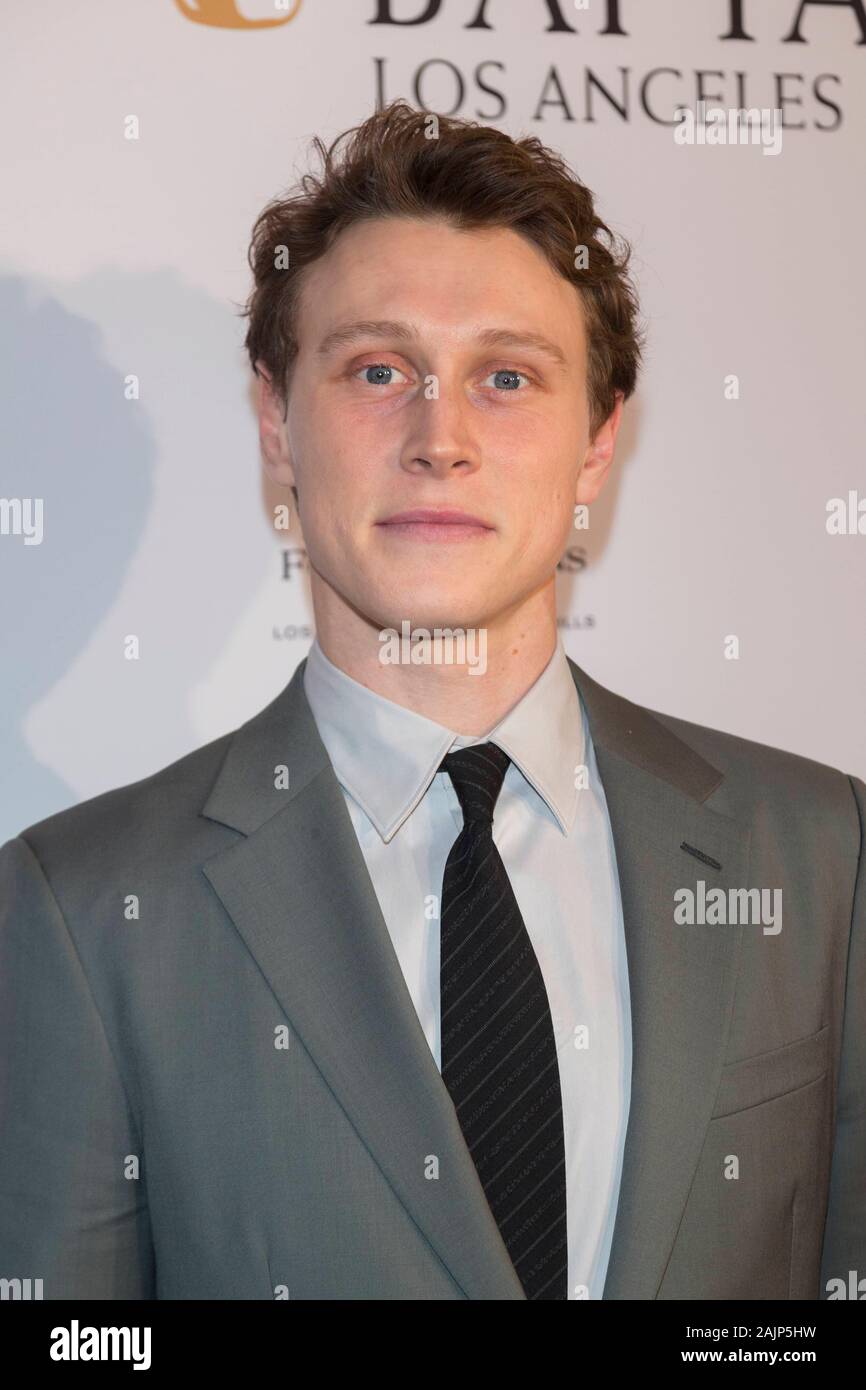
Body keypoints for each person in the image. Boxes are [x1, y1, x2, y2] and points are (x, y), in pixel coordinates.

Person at [1, 100, 862, 1301]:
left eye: (504, 376)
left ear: (597, 444)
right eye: (376, 369)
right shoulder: (85, 910)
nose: (437, 435)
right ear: (274, 420)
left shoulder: (819, 859)